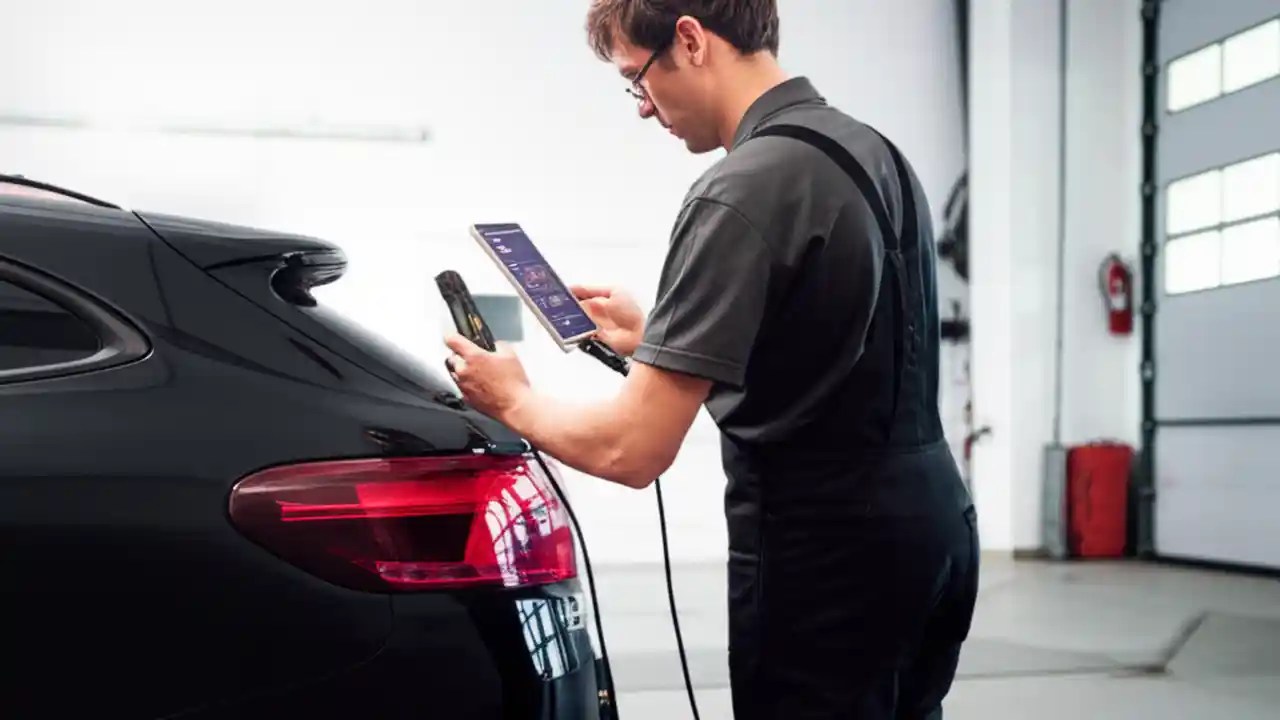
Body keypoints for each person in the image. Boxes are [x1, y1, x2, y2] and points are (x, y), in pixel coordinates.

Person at [443, 1, 979, 717]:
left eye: (637, 79)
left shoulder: (741, 187)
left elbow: (631, 450)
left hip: (827, 555)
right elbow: (843, 346)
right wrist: (664, 340)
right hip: (935, 528)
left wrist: (511, 400)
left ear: (690, 40)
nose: (643, 108)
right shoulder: (873, 150)